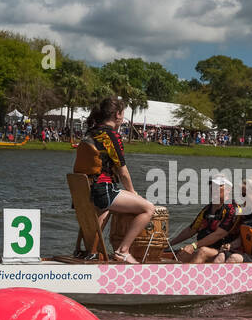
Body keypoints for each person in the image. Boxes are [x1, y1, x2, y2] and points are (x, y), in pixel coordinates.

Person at [76, 96, 156, 263]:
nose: (123, 117)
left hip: (85, 190)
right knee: (148, 208)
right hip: (101, 190)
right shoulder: (110, 136)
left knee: (105, 209)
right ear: (117, 115)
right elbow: (123, 171)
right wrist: (133, 193)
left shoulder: (90, 133)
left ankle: (90, 251)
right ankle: (123, 251)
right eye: (123, 114)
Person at [170, 176, 239, 263]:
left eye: (218, 186)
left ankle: (192, 276)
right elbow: (191, 230)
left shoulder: (233, 209)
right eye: (212, 185)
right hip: (205, 248)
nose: (213, 188)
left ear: (228, 190)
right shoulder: (207, 209)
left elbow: (219, 234)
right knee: (182, 253)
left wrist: (194, 245)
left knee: (202, 252)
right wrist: (169, 244)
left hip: (224, 251)